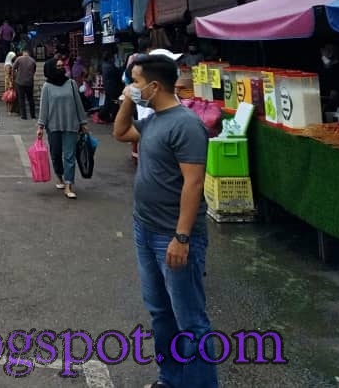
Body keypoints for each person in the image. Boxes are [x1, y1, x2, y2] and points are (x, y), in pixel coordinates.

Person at [112, 54, 216, 388]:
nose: (132, 87)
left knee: (190, 321)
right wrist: (128, 100)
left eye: (137, 82)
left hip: (173, 237)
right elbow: (120, 132)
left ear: (154, 86)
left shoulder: (185, 124)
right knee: (161, 314)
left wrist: (182, 237)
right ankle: (169, 379)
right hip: (146, 229)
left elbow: (194, 183)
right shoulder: (153, 120)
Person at [36, 62, 87, 199]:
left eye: (61, 66)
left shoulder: (71, 83)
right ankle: (59, 176)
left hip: (71, 125)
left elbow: (78, 104)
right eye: (57, 66)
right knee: (56, 153)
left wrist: (83, 122)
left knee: (69, 156)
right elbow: (44, 108)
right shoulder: (47, 86)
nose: (60, 68)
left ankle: (69, 184)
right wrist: (40, 126)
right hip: (53, 126)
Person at [14, 50, 37, 120]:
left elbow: (13, 67)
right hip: (29, 82)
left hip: (20, 82)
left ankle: (23, 115)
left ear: (23, 53)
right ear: (28, 54)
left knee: (21, 99)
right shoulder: (33, 60)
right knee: (30, 99)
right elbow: (34, 70)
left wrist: (17, 73)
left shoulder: (19, 59)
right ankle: (33, 114)